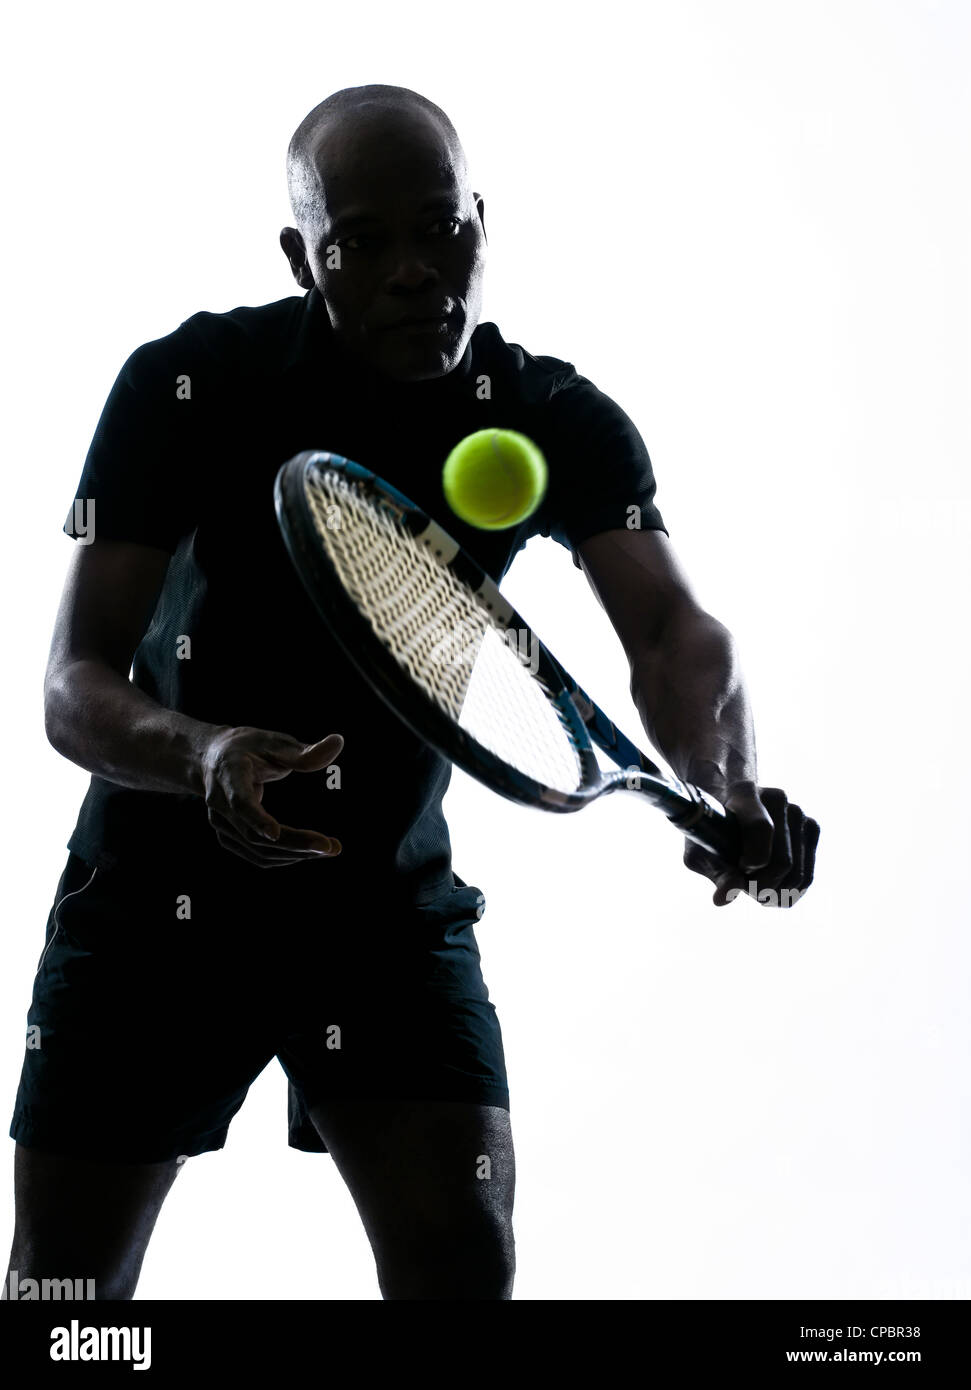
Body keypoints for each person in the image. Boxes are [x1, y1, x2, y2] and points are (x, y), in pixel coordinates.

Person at [3, 84, 819, 1302]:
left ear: (482, 222)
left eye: (441, 229)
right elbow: (72, 685)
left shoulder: (551, 416)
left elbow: (670, 628)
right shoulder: (190, 382)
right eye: (361, 241)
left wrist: (727, 781)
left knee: (461, 1263)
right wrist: (204, 753)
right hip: (151, 906)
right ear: (301, 259)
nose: (412, 271)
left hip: (381, 917)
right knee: (62, 1294)